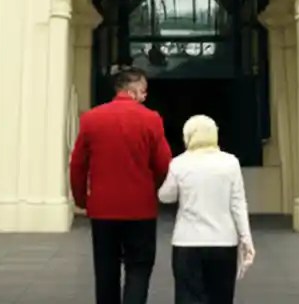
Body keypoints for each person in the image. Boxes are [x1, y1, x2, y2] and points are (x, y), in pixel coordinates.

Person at [69, 66, 173, 304]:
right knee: (139, 267)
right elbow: (163, 164)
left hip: (103, 208)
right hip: (140, 208)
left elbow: (77, 165)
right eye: (144, 91)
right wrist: (155, 189)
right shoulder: (151, 119)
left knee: (106, 270)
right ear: (133, 90)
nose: (145, 96)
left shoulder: (91, 118)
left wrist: (81, 199)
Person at [157, 114, 255, 304]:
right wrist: (246, 239)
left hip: (187, 241)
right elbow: (238, 203)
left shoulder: (179, 163)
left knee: (188, 296)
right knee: (220, 297)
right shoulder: (230, 162)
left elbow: (165, 196)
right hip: (223, 241)